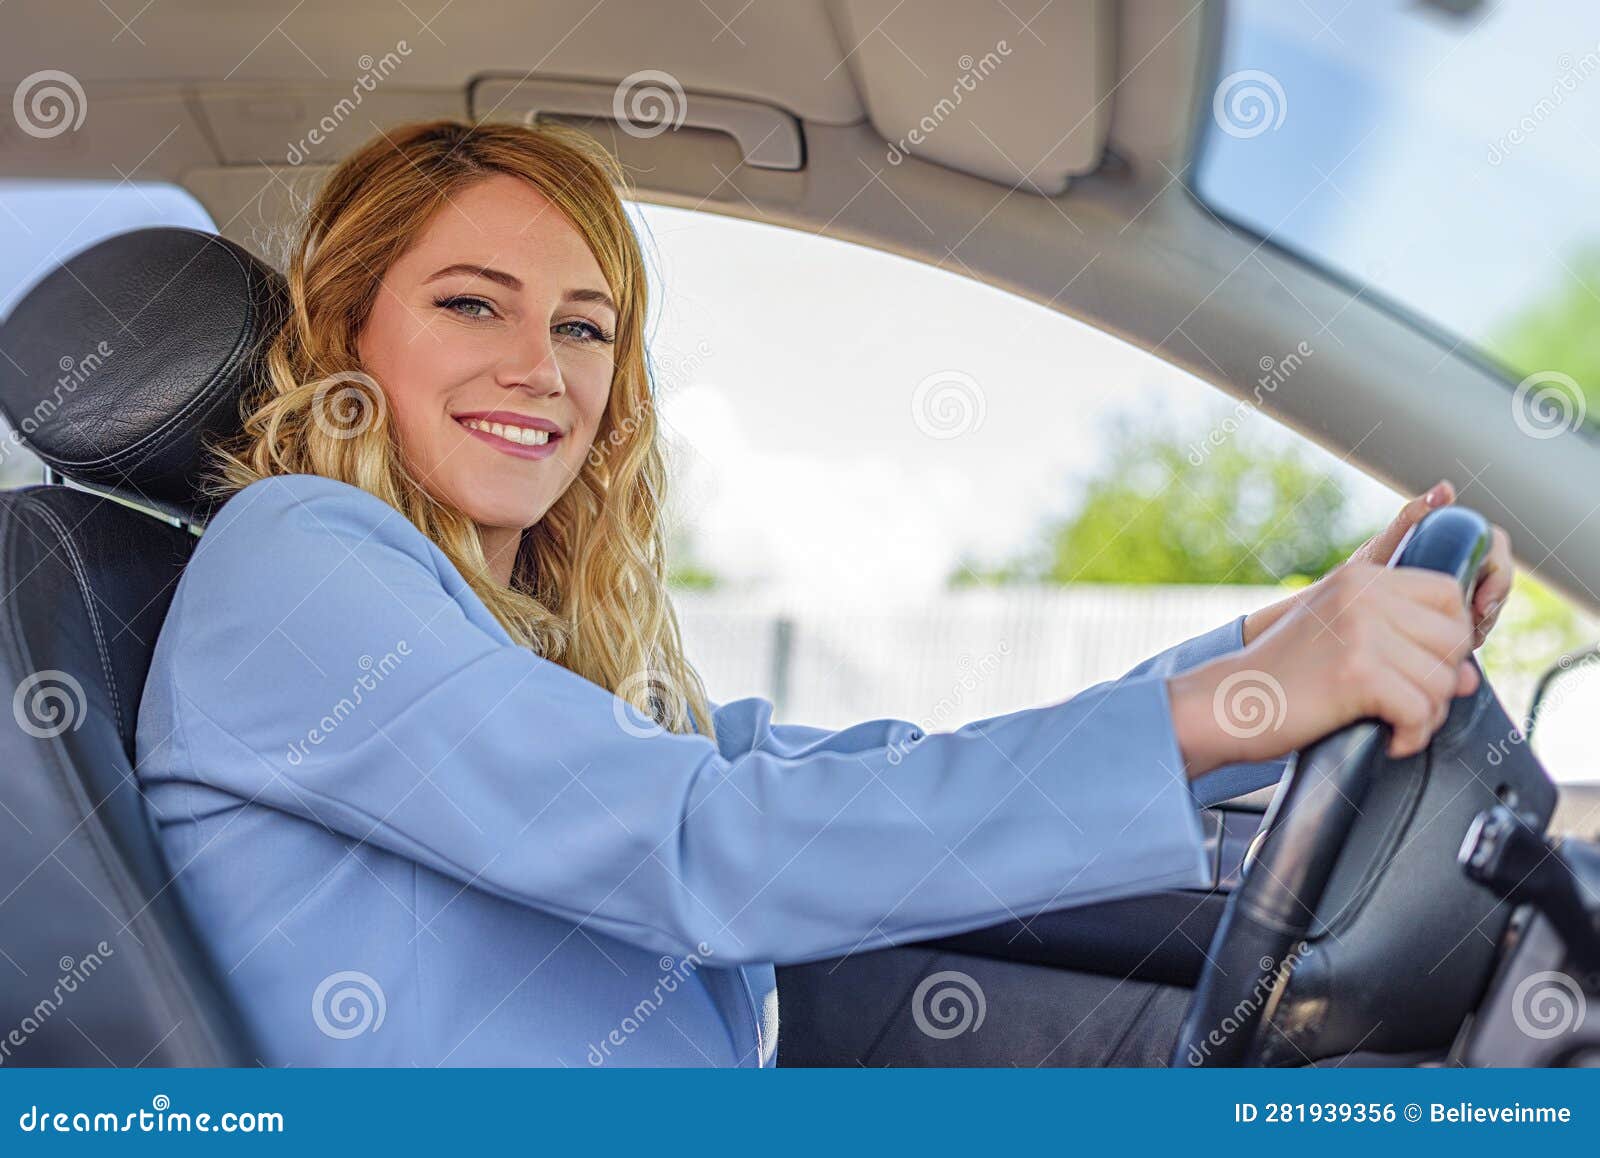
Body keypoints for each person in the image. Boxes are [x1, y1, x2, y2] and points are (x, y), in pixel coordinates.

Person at [133, 118, 1513, 1067]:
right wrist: (1235, 707)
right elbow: (713, 841)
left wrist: (1252, 655)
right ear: (347, 326)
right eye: (471, 303)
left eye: (583, 324)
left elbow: (841, 777)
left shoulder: (505, 627)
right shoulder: (296, 563)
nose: (540, 369)